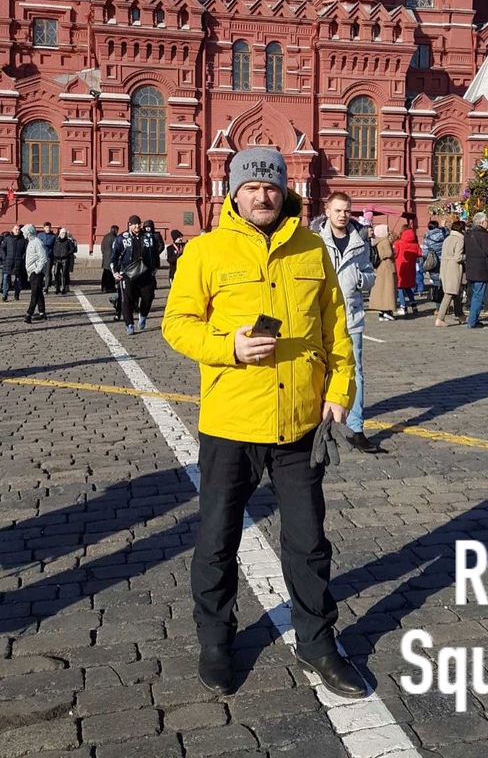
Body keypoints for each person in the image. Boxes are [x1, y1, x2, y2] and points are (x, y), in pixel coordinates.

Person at [162, 147, 364, 701]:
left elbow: (336, 324)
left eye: (270, 186)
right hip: (231, 422)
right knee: (217, 538)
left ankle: (317, 643)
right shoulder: (206, 250)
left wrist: (339, 391)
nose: (262, 195)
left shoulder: (311, 248)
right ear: (234, 192)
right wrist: (226, 346)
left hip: (299, 424)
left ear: (284, 191)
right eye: (250, 186)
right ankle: (215, 642)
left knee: (309, 541)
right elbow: (177, 324)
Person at [314, 191, 378, 453]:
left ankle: (356, 429)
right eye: (338, 210)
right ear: (327, 211)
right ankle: (317, 421)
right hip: (319, 317)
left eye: (347, 211)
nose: (342, 215)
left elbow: (370, 274)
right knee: (317, 370)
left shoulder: (360, 241)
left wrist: (359, 279)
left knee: (355, 371)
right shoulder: (314, 240)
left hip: (351, 316)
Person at [111, 215, 160, 335]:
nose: (137, 226)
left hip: (145, 272)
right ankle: (129, 324)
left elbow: (155, 253)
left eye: (138, 224)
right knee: (127, 299)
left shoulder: (148, 237)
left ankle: (143, 315)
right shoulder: (122, 238)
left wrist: (155, 267)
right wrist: (115, 272)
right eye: (134, 224)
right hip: (127, 273)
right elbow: (113, 256)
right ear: (130, 225)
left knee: (148, 296)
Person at [464, 212, 488, 329]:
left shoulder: (468, 235)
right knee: (478, 295)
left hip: (471, 268)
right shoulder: (484, 236)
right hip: (481, 269)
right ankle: (472, 321)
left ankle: (473, 319)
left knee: (474, 294)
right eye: (487, 221)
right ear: (482, 222)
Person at [435, 220, 467, 326]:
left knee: (455, 293)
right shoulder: (460, 240)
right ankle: (440, 318)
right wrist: (466, 256)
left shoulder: (447, 239)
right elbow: (458, 257)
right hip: (453, 269)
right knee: (449, 293)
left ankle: (460, 315)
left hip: (445, 267)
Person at [368, 224, 397, 321]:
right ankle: (387, 311)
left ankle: (382, 312)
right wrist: (393, 252)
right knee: (388, 290)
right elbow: (388, 253)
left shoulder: (377, 241)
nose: (388, 232)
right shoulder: (385, 241)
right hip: (387, 267)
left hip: (380, 268)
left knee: (381, 290)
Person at [22, 224, 48, 323]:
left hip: (36, 272)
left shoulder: (37, 242)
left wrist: (37, 270)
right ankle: (42, 313)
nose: (23, 234)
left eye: (24, 232)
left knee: (34, 293)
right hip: (32, 271)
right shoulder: (31, 242)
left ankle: (29, 314)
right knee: (38, 292)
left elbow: (43, 258)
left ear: (29, 233)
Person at [393, 228, 422, 316]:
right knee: (408, 287)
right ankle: (413, 304)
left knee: (400, 287)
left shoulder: (398, 243)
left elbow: (395, 254)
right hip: (411, 269)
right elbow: (420, 253)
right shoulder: (415, 245)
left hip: (401, 267)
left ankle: (403, 306)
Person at [422, 220, 448, 307]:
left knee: (436, 284)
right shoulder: (444, 233)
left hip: (434, 262)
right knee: (445, 283)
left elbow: (424, 252)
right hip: (444, 261)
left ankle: (438, 307)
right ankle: (445, 305)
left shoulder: (427, 237)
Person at [0, 224, 26, 301]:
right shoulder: (8, 239)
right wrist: (4, 257)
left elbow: (25, 251)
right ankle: (5, 295)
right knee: (6, 278)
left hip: (18, 262)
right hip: (8, 261)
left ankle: (17, 294)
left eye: (18, 229)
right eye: (16, 229)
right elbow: (2, 248)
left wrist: (22, 258)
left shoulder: (23, 240)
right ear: (12, 230)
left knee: (18, 279)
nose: (17, 231)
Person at [53, 228, 76, 294]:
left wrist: (66, 253)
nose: (63, 235)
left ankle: (63, 288)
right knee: (56, 273)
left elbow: (72, 249)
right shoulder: (56, 241)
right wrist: (55, 254)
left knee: (64, 274)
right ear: (60, 234)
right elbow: (54, 248)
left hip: (65, 259)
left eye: (64, 233)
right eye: (62, 233)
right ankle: (57, 287)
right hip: (57, 259)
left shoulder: (68, 241)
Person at [38, 221, 56, 294]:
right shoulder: (40, 235)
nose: (47, 229)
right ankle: (40, 286)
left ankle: (46, 288)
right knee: (40, 272)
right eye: (46, 227)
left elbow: (55, 247)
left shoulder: (53, 236)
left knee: (47, 273)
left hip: (49, 256)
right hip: (40, 257)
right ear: (44, 228)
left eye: (49, 227)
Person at [101, 225, 119, 293]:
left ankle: (103, 287)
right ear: (115, 230)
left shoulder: (105, 236)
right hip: (111, 257)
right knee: (110, 273)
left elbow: (102, 246)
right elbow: (116, 248)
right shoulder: (114, 237)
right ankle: (110, 288)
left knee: (105, 273)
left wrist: (103, 253)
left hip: (105, 257)